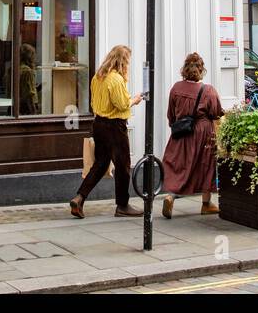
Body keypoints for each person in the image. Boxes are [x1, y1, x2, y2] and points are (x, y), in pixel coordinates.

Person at [71, 45, 144, 219]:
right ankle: (122, 205)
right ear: (123, 61)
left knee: (100, 164)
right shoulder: (116, 80)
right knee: (123, 166)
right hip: (115, 126)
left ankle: (79, 197)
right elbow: (122, 104)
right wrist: (135, 99)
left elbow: (95, 102)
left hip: (98, 124)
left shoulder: (98, 77)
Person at [161, 52, 225, 219]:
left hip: (182, 132)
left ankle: (171, 196)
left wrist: (176, 126)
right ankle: (206, 204)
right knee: (205, 166)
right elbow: (216, 112)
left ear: (185, 69)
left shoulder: (176, 88)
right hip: (203, 133)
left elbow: (170, 114)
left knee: (182, 166)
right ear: (201, 69)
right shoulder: (208, 90)